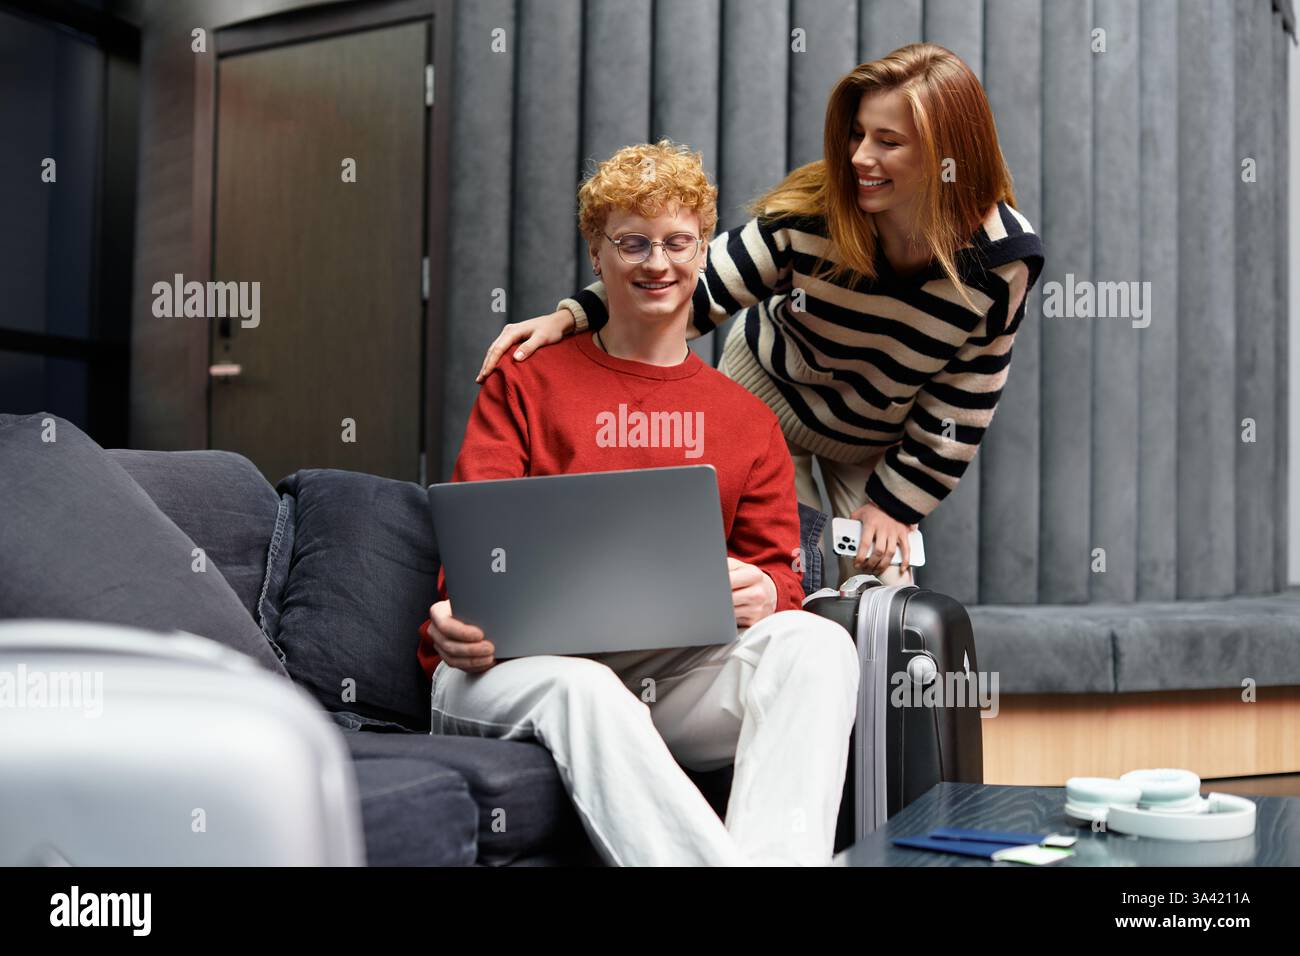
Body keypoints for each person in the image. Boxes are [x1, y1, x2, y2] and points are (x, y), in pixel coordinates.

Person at [418, 140, 859, 866]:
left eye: (678, 243)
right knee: (584, 686)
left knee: (818, 644)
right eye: (633, 243)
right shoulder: (526, 380)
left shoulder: (745, 419)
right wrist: (452, 617)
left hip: (669, 678)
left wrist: (765, 592)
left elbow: (781, 573)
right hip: (506, 676)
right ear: (597, 253)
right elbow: (472, 552)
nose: (658, 262)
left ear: (702, 250)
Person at [475, 43, 1046, 587]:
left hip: (875, 434)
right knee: (795, 571)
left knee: (886, 591)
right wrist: (575, 315)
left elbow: (963, 400)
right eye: (856, 134)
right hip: (767, 399)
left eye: (887, 141)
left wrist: (894, 505)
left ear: (947, 153)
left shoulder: (1003, 262)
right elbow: (690, 283)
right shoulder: (816, 215)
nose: (859, 157)